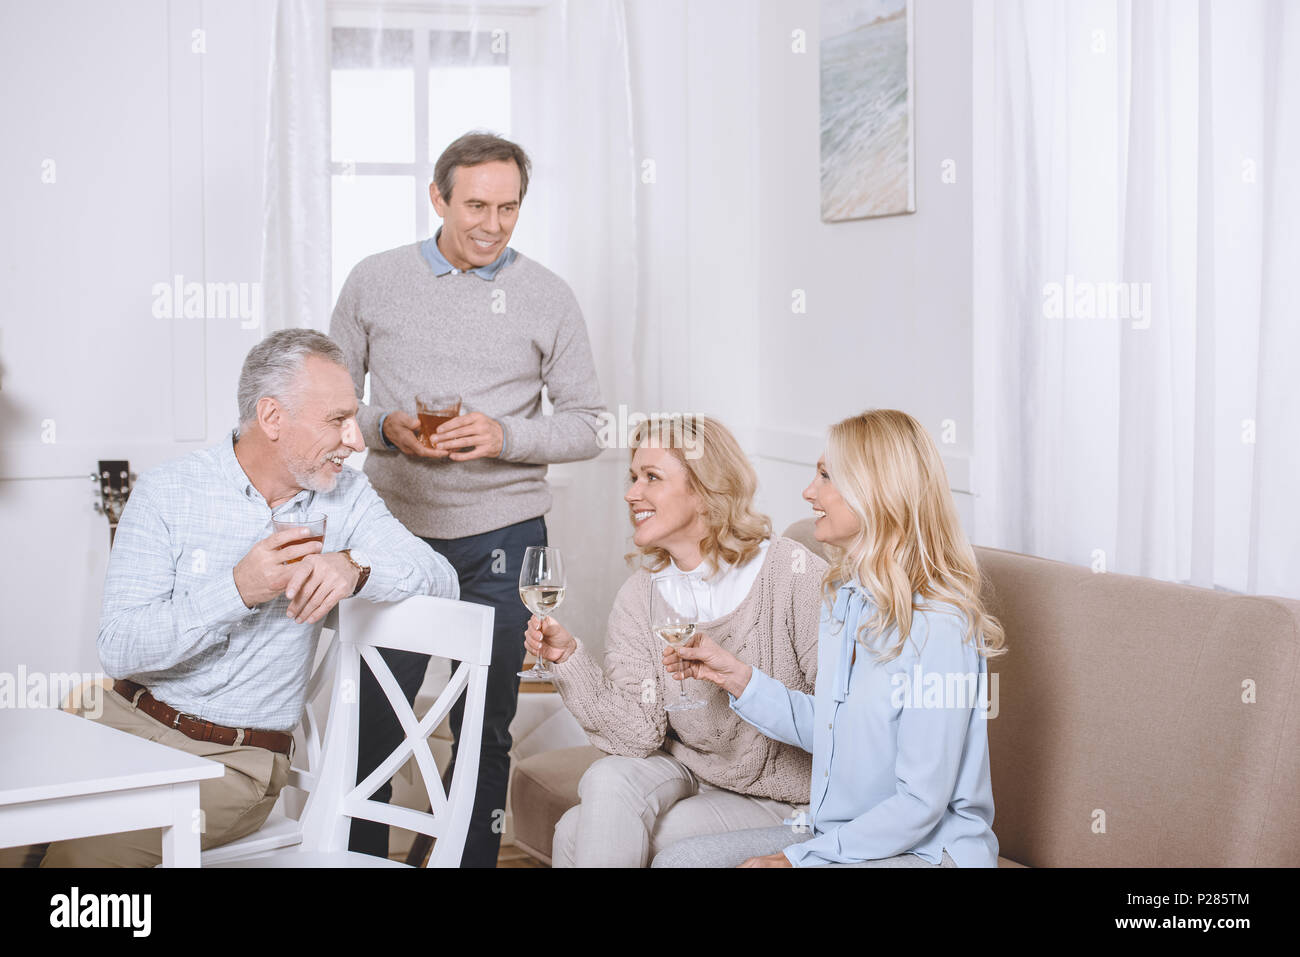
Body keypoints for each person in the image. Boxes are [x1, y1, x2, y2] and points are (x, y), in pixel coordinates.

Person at [40, 329, 459, 868]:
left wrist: (355, 565)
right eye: (337, 419)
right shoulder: (169, 491)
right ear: (272, 417)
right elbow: (120, 650)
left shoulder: (348, 498)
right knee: (18, 826)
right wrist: (237, 589)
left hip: (235, 763)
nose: (356, 440)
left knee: (85, 859)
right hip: (124, 727)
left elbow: (440, 575)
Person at [329, 131, 605, 866]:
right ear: (437, 198)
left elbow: (589, 423)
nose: (492, 223)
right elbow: (327, 408)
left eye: (509, 207)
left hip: (507, 536)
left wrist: (503, 434)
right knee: (379, 725)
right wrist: (384, 427)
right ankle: (361, 860)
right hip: (394, 533)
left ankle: (460, 860)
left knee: (486, 724)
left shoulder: (548, 295)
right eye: (476, 204)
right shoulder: (372, 281)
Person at [653, 409, 1006, 868]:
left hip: (926, 852)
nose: (808, 491)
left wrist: (799, 859)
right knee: (680, 862)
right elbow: (834, 728)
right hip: (841, 834)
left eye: (825, 475)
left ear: (875, 492)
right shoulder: (846, 599)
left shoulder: (939, 626)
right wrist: (738, 678)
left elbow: (921, 804)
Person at [524, 415, 826, 867]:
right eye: (632, 477)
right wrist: (569, 660)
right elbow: (638, 736)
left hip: (787, 799)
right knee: (606, 781)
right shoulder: (640, 596)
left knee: (575, 832)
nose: (631, 494)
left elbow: (847, 721)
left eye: (652, 478)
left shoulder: (789, 573)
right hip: (694, 778)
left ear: (705, 490)